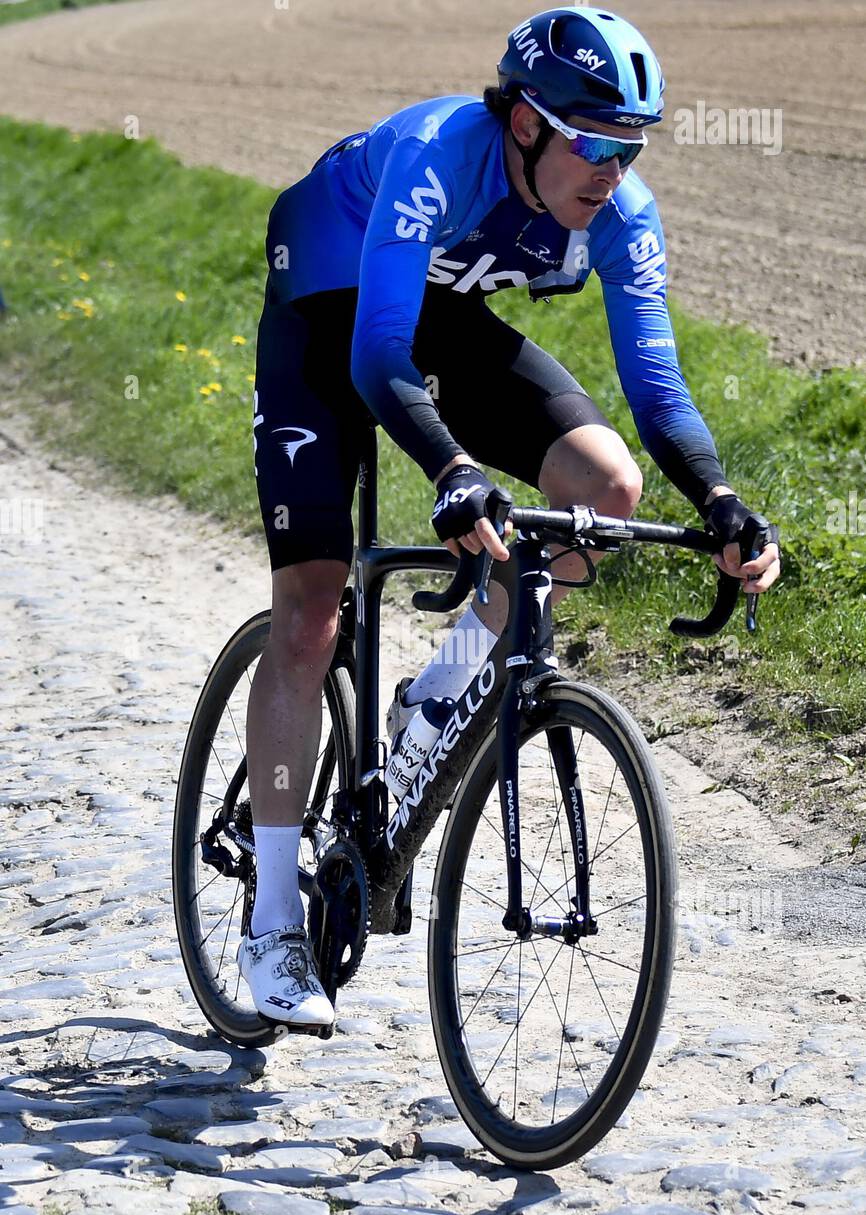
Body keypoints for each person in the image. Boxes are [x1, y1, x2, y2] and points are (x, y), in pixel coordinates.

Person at [239, 6, 781, 1026]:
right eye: (593, 143)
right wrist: (449, 466)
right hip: (327, 306)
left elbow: (656, 390)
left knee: (603, 493)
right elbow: (375, 355)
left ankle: (435, 696)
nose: (611, 171)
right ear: (523, 123)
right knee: (311, 606)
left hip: (430, 315)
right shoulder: (438, 156)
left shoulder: (621, 213)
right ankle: (271, 918)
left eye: (630, 148)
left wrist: (717, 500)